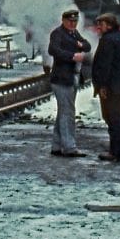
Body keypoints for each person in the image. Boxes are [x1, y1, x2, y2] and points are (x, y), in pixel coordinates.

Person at [91, 13, 120, 162]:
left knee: (112, 118)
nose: (99, 27)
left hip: (112, 87)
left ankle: (116, 152)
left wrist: (102, 85)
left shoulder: (107, 41)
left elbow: (105, 65)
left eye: (101, 24)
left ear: (109, 25)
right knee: (119, 117)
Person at [46, 9, 91, 157]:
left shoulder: (74, 34)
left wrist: (81, 45)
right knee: (68, 113)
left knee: (63, 112)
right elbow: (53, 50)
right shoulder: (58, 34)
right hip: (62, 78)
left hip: (71, 77)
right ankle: (70, 147)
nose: (73, 24)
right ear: (63, 20)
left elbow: (87, 45)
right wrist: (72, 56)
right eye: (70, 21)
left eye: (75, 21)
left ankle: (57, 146)